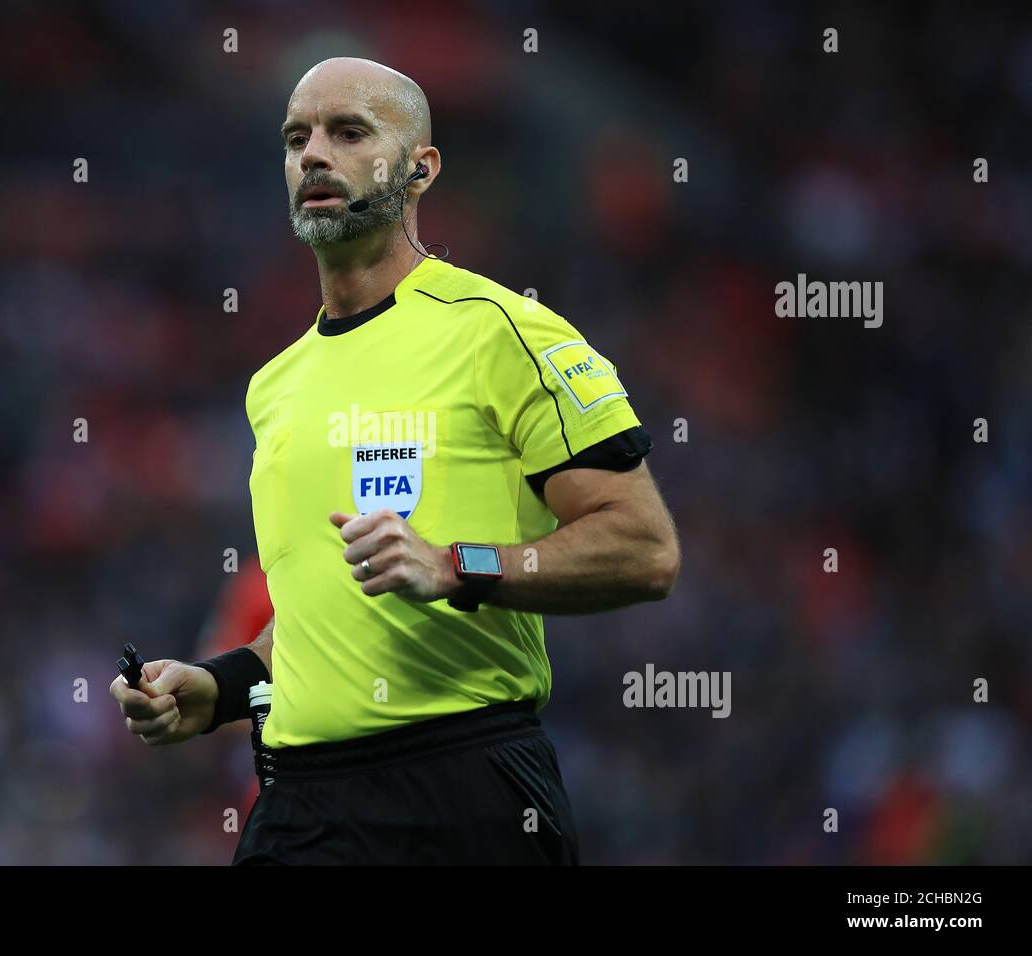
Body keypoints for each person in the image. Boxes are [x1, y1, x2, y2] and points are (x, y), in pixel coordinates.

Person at [111, 57, 680, 865]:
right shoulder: (276, 386)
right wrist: (216, 689)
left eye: (348, 133)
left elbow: (644, 549)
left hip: (466, 793)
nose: (314, 154)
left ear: (420, 169)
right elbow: (320, 624)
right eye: (296, 137)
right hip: (299, 805)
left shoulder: (502, 331)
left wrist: (456, 567)